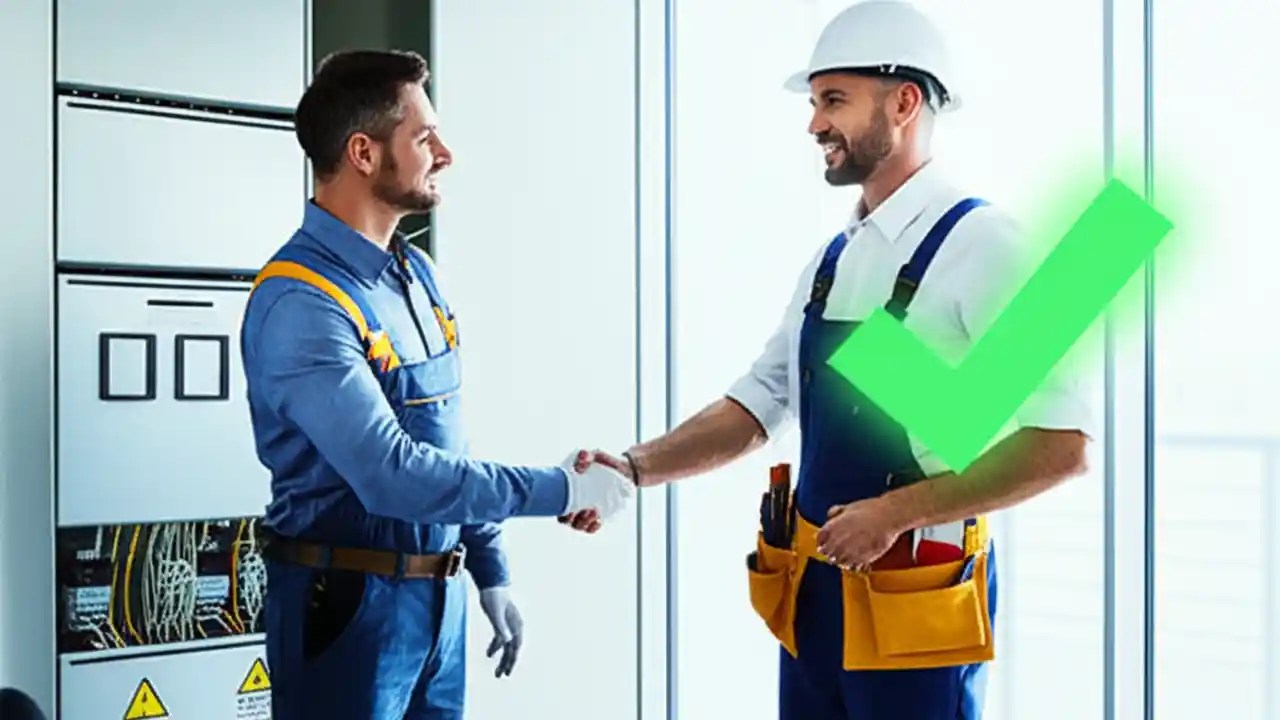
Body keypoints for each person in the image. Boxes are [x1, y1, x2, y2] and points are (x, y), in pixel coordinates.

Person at [565, 1, 1097, 718]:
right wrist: (634, 466)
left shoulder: (991, 246)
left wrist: (895, 512)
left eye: (834, 101)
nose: (814, 123)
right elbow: (759, 402)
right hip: (814, 596)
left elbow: (1060, 446)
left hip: (916, 601)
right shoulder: (835, 259)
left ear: (905, 102)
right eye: (816, 102)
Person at [239, 49, 633, 720]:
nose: (445, 153)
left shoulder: (414, 274)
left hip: (437, 604)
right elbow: (393, 473)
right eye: (424, 138)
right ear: (363, 153)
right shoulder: (303, 304)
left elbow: (441, 443)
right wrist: (561, 488)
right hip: (346, 609)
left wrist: (487, 563)